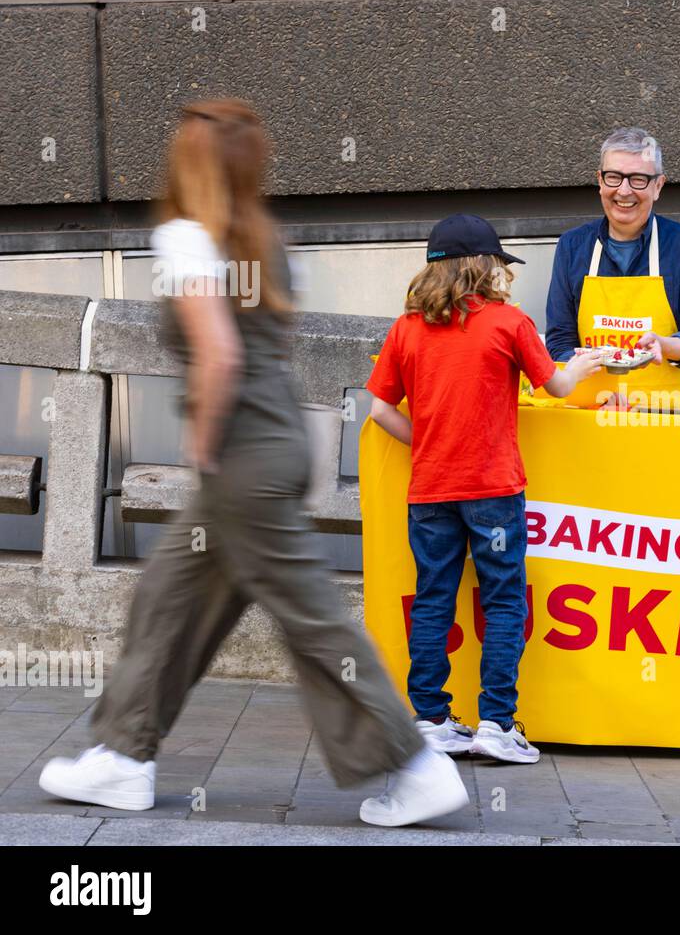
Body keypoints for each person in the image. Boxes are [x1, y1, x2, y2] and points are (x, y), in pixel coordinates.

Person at [37, 99, 467, 829]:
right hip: (277, 448)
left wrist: (202, 441)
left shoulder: (185, 238)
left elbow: (219, 353)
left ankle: (414, 764)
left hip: (240, 460)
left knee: (309, 617)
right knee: (169, 601)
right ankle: (123, 758)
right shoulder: (261, 239)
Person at [366, 214, 600, 764]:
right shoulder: (508, 322)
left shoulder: (406, 328)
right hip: (493, 490)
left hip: (430, 492)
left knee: (432, 601)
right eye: (497, 263)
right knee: (502, 601)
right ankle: (496, 722)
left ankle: (428, 720)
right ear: (483, 266)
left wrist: (429, 441)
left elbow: (379, 411)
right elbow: (558, 385)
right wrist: (584, 363)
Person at [544, 126, 680, 411]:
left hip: (663, 418)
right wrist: (595, 392)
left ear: (658, 186)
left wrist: (665, 345)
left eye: (638, 179)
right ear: (600, 181)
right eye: (614, 177)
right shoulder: (572, 246)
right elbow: (559, 341)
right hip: (590, 416)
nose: (623, 190)